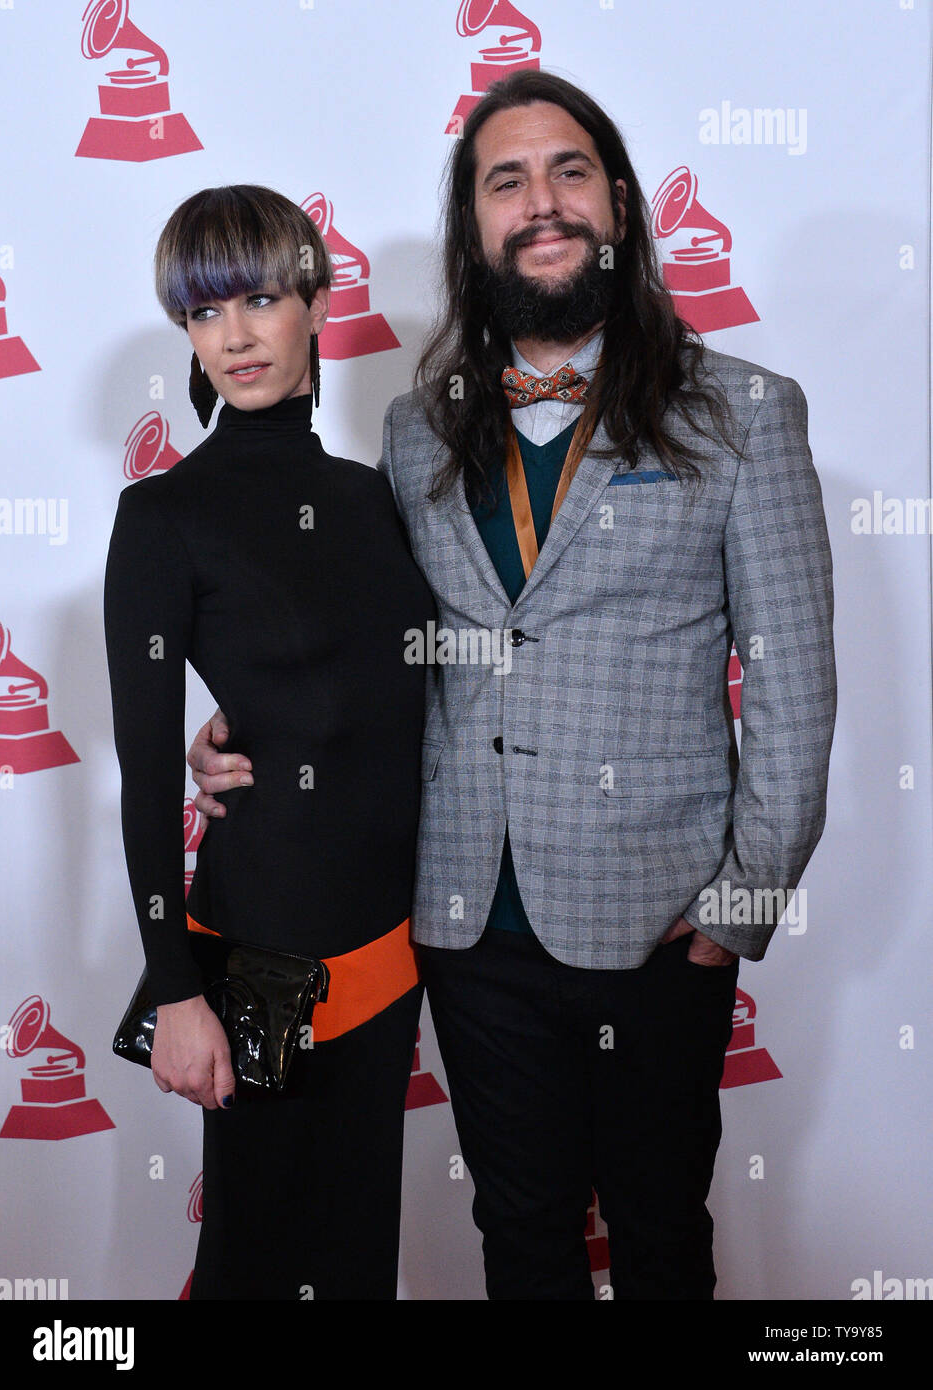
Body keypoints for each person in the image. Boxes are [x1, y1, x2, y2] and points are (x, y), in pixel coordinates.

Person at [190, 73, 836, 1300]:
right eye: (505, 182)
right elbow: (378, 640)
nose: (540, 204)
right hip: (461, 917)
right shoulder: (417, 426)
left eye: (568, 172)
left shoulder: (745, 412)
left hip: (657, 919)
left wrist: (736, 908)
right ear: (474, 228)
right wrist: (251, 721)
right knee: (520, 1232)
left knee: (654, 1235)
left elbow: (796, 680)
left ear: (621, 206)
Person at [104, 185, 435, 1300]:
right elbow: (147, 781)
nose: (235, 335)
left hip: (392, 964)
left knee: (355, 1271)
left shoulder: (375, 497)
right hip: (255, 972)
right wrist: (173, 992)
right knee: (253, 1266)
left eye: (257, 297)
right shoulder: (161, 517)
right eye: (204, 312)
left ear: (314, 299)